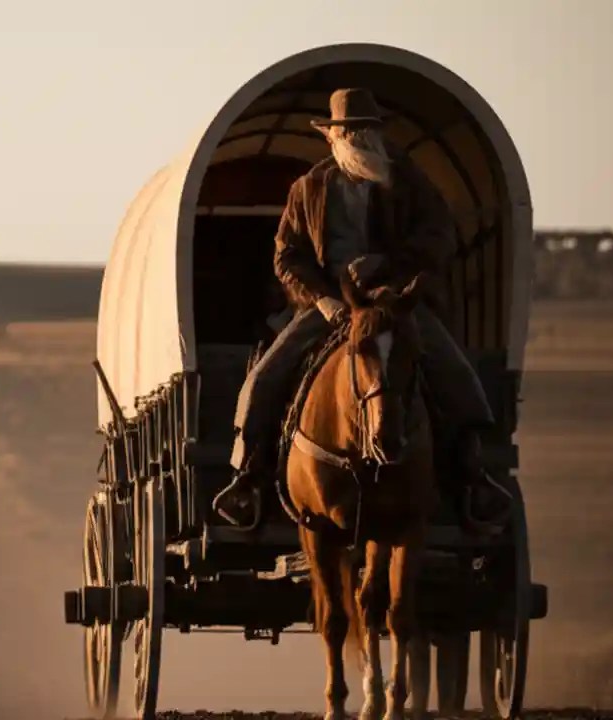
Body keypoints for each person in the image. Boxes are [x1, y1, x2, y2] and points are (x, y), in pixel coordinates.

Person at [212, 88, 513, 531]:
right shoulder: (309, 188)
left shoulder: (408, 182)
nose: (358, 139)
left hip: (395, 303)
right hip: (329, 305)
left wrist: (389, 267)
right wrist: (323, 299)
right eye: (349, 132)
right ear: (332, 137)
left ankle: (474, 476)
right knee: (265, 375)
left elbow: (438, 237)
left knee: (454, 370)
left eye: (365, 131)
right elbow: (286, 256)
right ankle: (248, 476)